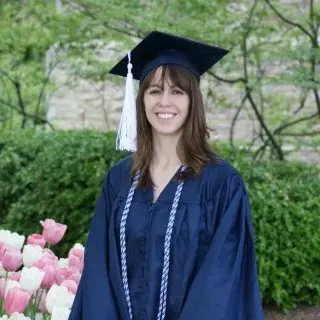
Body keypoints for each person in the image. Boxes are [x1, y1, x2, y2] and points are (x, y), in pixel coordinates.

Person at [69, 31, 264, 320]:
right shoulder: (120, 179)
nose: (164, 102)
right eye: (155, 91)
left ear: (192, 101)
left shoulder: (222, 184)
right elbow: (99, 268)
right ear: (142, 99)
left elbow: (220, 283)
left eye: (177, 91)